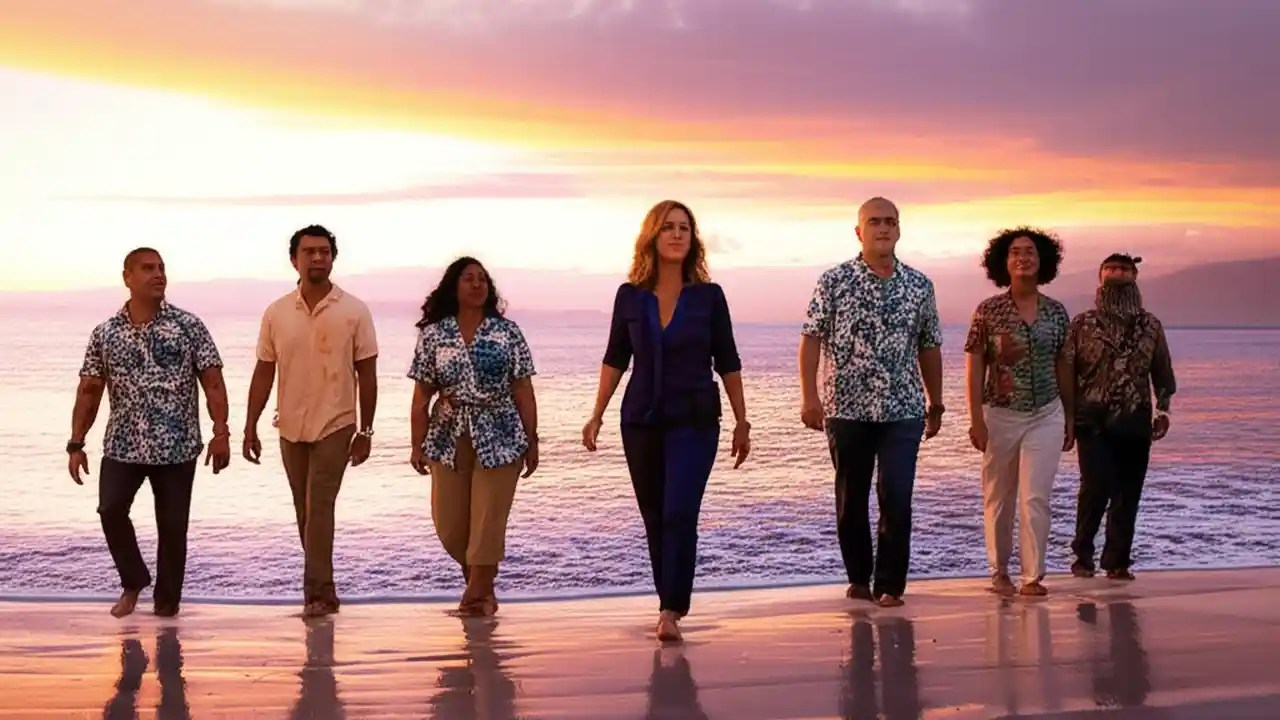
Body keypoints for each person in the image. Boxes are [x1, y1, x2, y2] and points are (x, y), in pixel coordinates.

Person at [583, 199, 750, 643]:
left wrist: (742, 420)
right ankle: (666, 604)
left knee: (679, 511)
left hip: (695, 420)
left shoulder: (709, 297)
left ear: (693, 239)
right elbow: (616, 357)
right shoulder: (629, 296)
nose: (677, 235)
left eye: (684, 228)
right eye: (668, 228)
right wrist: (596, 413)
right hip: (640, 420)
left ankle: (673, 607)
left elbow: (727, 360)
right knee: (655, 516)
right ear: (652, 237)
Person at [68, 247, 230, 618]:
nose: (158, 274)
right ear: (127, 277)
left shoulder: (188, 326)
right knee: (110, 510)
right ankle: (134, 579)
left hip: (177, 447)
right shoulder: (105, 333)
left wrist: (222, 432)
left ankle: (167, 604)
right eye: (147, 268)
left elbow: (213, 382)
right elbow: (89, 389)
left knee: (173, 528)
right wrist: (76, 443)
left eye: (161, 268)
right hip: (122, 445)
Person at [798, 196, 943, 608]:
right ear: (859, 231)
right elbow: (811, 338)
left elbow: (929, 346)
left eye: (890, 222)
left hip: (904, 408)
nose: (883, 228)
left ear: (899, 229)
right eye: (874, 222)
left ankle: (890, 586)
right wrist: (809, 396)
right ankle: (859, 578)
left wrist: (936, 403)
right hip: (847, 408)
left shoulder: (920, 285)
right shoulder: (834, 281)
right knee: (851, 497)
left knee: (896, 496)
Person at [243, 225, 379, 617]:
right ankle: (325, 586)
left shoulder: (354, 310)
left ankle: (317, 595)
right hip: (290, 425)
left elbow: (366, 373)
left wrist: (366, 431)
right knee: (304, 511)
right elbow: (265, 371)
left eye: (324, 251)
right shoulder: (277, 312)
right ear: (294, 260)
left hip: (336, 423)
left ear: (333, 258)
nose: (317, 258)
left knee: (319, 505)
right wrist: (250, 425)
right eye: (309, 252)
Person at [407, 256, 539, 617]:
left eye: (482, 279)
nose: (477, 284)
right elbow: (421, 396)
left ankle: (476, 596)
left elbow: (523, 388)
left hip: (502, 432)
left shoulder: (506, 332)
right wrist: (416, 444)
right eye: (468, 278)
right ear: (454, 286)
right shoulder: (434, 334)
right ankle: (482, 588)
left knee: (488, 518)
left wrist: (532, 440)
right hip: (448, 433)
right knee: (450, 526)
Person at [964, 227, 1073, 597]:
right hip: (1000, 413)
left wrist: (1070, 418)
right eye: (1015, 252)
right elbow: (976, 364)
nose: (1023, 257)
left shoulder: (1057, 312)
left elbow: (1063, 365)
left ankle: (1033, 576)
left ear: (1043, 261)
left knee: (1035, 496)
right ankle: (998, 571)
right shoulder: (988, 310)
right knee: (999, 495)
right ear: (1003, 262)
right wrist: (976, 418)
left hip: (1047, 412)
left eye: (1030, 251)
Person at [1067, 253, 1176, 581]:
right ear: (1100, 276)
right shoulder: (1083, 323)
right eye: (1111, 268)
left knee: (1128, 493)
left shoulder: (1150, 325)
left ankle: (1117, 562)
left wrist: (1163, 410)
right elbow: (1067, 373)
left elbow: (1163, 373)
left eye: (1124, 268)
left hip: (1135, 419)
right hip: (1092, 420)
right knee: (1095, 488)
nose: (1117, 272)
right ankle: (1082, 555)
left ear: (1135, 275)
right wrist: (1066, 418)